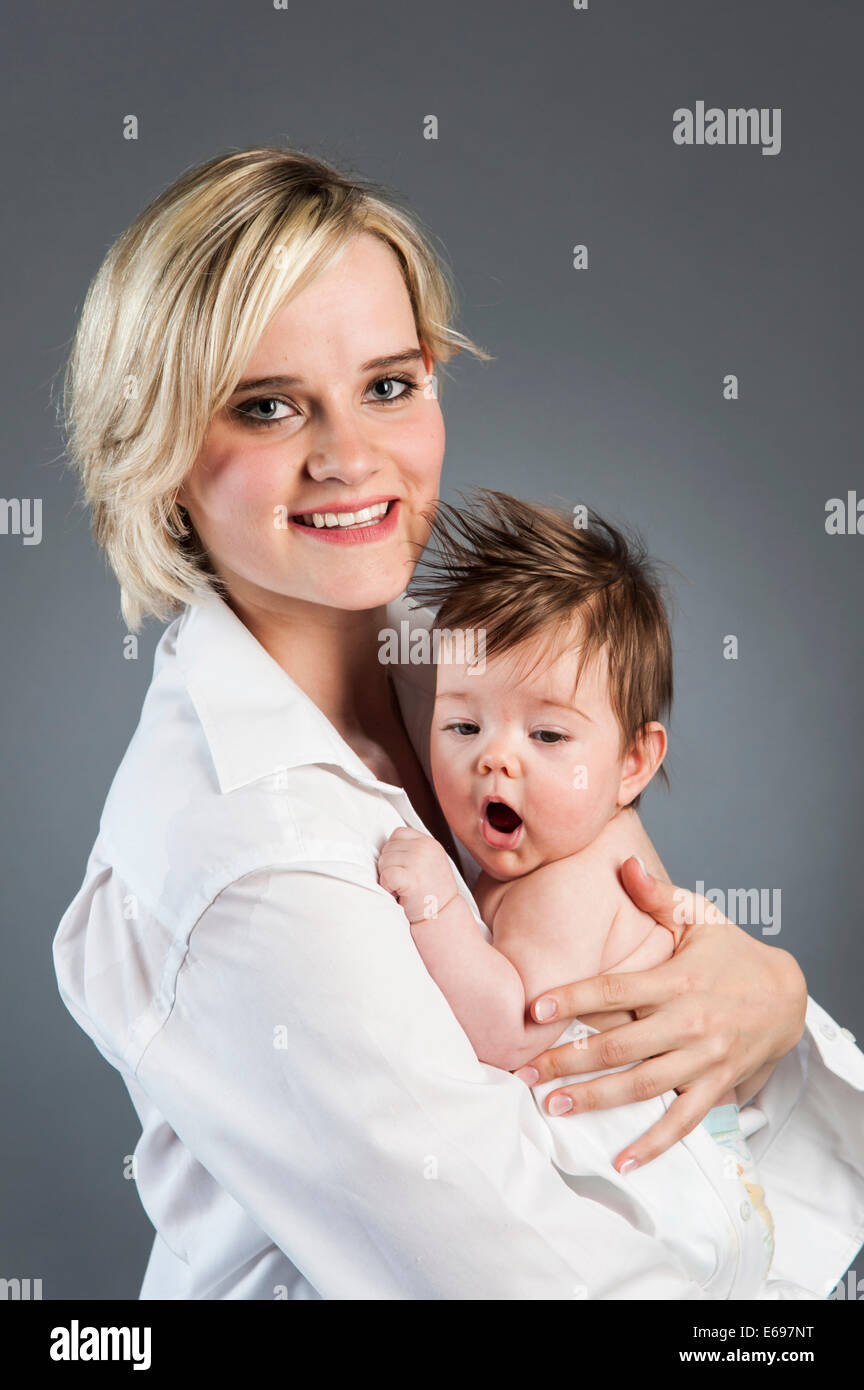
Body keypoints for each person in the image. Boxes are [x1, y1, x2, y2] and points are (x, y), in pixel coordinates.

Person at [52, 145, 864, 1300]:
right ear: (166, 449)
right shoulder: (246, 852)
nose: (349, 459)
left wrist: (768, 1004)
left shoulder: (467, 681)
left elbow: (640, 971)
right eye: (269, 406)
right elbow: (528, 1274)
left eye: (388, 385)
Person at [377, 490, 779, 1295]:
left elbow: (514, 1030)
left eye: (548, 735)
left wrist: (432, 902)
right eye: (464, 727)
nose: (497, 760)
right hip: (696, 1173)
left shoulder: (566, 882)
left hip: (675, 1197)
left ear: (634, 762)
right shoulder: (578, 840)